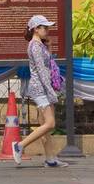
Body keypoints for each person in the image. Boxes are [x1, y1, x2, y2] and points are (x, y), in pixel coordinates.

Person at [12, 15, 65, 167]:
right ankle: (19, 146)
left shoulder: (39, 45)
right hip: (40, 89)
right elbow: (42, 71)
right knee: (50, 123)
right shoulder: (34, 46)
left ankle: (50, 159)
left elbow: (48, 64)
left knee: (45, 127)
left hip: (43, 88)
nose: (47, 30)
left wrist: (49, 47)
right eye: (45, 27)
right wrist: (51, 91)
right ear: (36, 29)